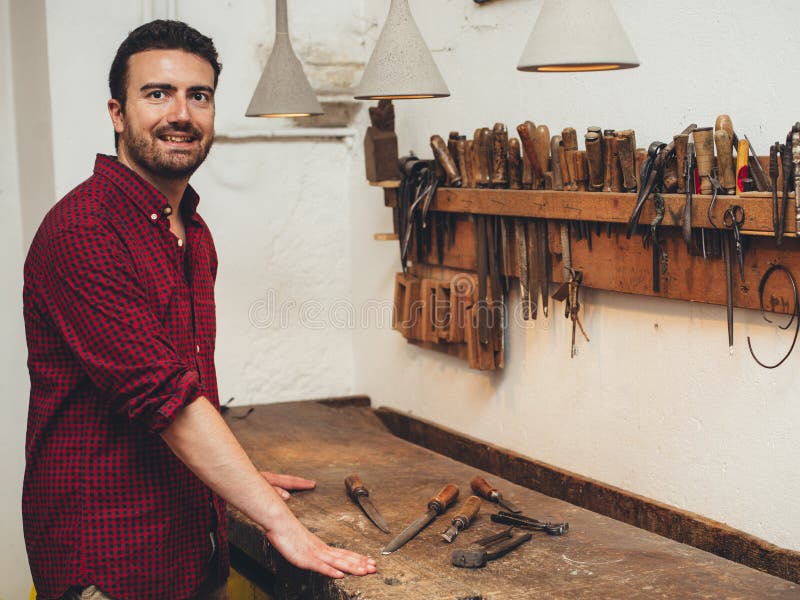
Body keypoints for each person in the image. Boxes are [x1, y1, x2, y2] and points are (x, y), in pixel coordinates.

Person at [22, 20, 376, 600]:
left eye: (199, 95)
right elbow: (166, 399)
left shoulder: (191, 230)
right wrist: (280, 523)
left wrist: (236, 479)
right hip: (108, 559)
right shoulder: (85, 230)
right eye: (157, 93)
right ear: (117, 113)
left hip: (189, 541)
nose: (181, 114)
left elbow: (185, 382)